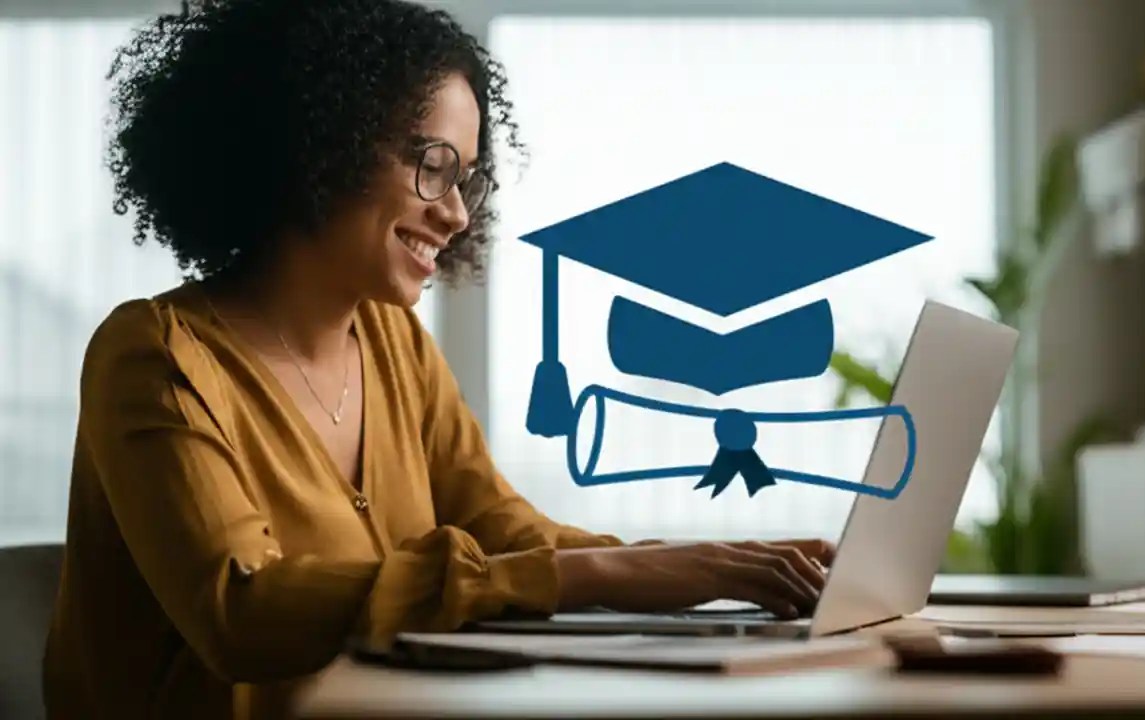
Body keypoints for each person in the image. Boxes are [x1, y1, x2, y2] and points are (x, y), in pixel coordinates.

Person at [41, 1, 834, 718]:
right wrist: (600, 579)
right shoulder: (155, 356)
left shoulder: (395, 347)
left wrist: (701, 569)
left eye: (467, 179)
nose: (455, 214)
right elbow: (242, 611)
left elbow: (500, 529)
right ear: (321, 144)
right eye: (432, 166)